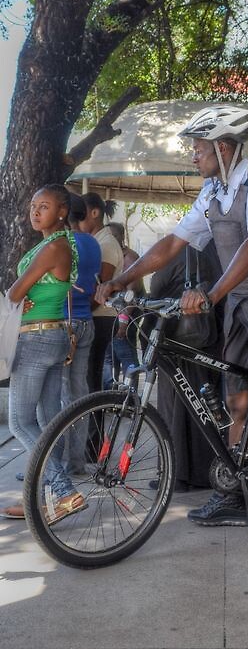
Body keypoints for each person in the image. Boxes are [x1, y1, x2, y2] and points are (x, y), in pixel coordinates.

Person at [97, 104, 248, 561]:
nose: (193, 155)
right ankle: (235, 493)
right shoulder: (212, 192)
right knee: (236, 401)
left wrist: (212, 294)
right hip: (239, 304)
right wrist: (122, 280)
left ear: (223, 148)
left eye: (198, 147)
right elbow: (172, 244)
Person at [0, 185, 85, 523]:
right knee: (47, 421)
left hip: (36, 339)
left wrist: (20, 292)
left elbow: (16, 292)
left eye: (44, 206)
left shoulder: (54, 247)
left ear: (62, 211)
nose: (35, 212)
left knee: (20, 422)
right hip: (54, 335)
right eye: (33, 205)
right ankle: (46, 501)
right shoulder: (60, 244)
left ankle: (65, 492)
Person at [149, 240, 223, 491]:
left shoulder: (184, 248)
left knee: (178, 405)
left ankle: (177, 472)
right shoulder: (218, 247)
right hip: (208, 335)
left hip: (181, 337)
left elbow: (158, 285)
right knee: (202, 404)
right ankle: (203, 471)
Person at [59, 193, 102, 474]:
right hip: (86, 320)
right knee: (80, 396)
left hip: (63, 321)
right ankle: (75, 462)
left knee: (60, 397)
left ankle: (53, 465)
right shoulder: (93, 243)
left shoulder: (61, 243)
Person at [78, 193, 124, 394]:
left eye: (81, 216)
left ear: (95, 213)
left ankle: (94, 425)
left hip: (100, 317)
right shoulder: (96, 240)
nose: (77, 222)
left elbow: (101, 289)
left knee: (91, 376)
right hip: (96, 317)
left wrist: (80, 313)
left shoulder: (105, 243)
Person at [103, 222, 144, 386]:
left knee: (125, 354)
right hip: (112, 316)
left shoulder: (130, 258)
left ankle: (130, 396)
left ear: (122, 237)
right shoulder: (115, 255)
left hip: (124, 317)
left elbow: (130, 295)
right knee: (108, 358)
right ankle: (107, 397)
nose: (111, 239)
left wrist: (123, 322)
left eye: (114, 236)